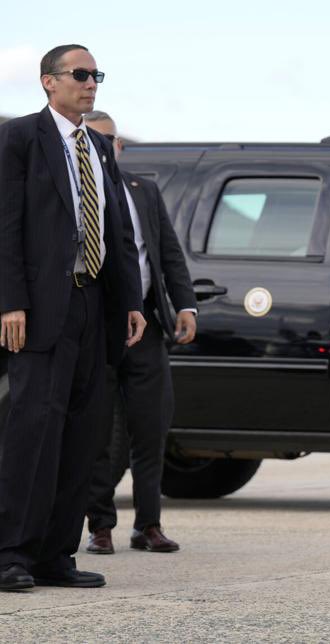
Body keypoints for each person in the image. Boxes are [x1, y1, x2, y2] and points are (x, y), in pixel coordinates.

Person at [0, 44, 145, 592]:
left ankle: (56, 555)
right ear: (47, 82)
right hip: (38, 308)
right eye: (80, 75)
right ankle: (11, 552)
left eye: (95, 75)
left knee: (83, 435)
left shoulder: (99, 146)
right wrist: (10, 300)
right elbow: (6, 224)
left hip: (93, 306)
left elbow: (118, 232)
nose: (90, 84)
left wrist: (130, 301)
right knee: (33, 431)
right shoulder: (19, 139)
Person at [83, 111, 198, 556]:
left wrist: (185, 305)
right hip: (98, 330)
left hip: (148, 328)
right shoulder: (82, 194)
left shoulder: (143, 191)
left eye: (108, 139)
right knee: (97, 433)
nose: (101, 144)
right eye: (91, 137)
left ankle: (148, 524)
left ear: (120, 146)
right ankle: (100, 527)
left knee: (151, 428)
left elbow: (168, 252)